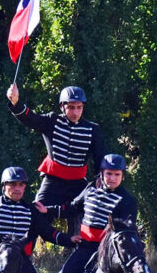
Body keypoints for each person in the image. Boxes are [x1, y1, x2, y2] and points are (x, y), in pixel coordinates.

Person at [6, 83, 105, 231]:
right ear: (62, 107)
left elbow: (100, 157)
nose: (75, 112)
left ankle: (85, 253)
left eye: (79, 107)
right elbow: (30, 118)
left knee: (89, 218)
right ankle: (22, 253)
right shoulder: (52, 121)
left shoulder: (92, 129)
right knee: (36, 215)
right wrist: (16, 102)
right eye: (71, 107)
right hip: (53, 182)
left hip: (78, 184)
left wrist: (101, 178)